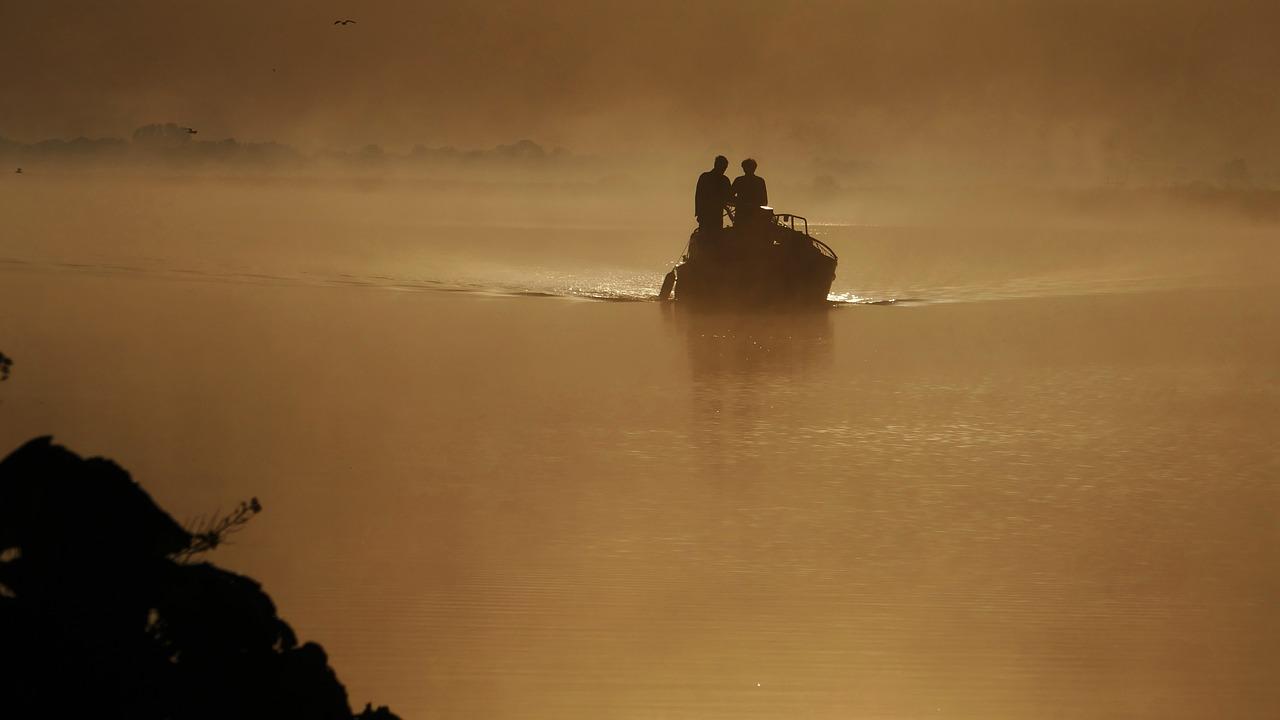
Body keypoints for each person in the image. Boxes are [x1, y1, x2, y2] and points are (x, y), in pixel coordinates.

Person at [694, 156, 733, 231]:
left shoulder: (706, 177)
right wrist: (699, 213)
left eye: (725, 168)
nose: (724, 170)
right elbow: (699, 196)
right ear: (716, 165)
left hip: (715, 214)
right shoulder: (706, 177)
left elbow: (729, 196)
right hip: (707, 214)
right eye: (723, 167)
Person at [732, 158, 768, 225]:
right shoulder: (760, 181)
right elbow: (764, 201)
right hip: (755, 216)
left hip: (742, 215)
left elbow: (730, 196)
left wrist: (740, 202)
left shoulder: (739, 180)